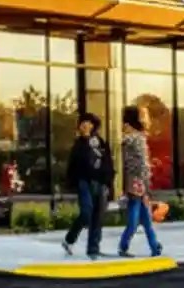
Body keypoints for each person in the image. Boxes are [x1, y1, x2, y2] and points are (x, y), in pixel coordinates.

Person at [61, 112, 113, 259]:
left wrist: (109, 183)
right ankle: (69, 239)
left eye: (89, 123)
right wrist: (71, 184)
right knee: (86, 212)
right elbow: (73, 165)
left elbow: (108, 163)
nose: (85, 125)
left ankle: (93, 249)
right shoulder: (78, 144)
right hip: (84, 182)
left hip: (100, 182)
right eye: (83, 123)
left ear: (93, 125)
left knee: (97, 216)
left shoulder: (101, 143)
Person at [118, 105, 162, 258]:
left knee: (145, 219)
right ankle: (124, 246)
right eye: (143, 115)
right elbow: (137, 164)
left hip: (139, 183)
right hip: (136, 183)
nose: (146, 119)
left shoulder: (136, 138)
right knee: (135, 218)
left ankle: (154, 247)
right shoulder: (133, 139)